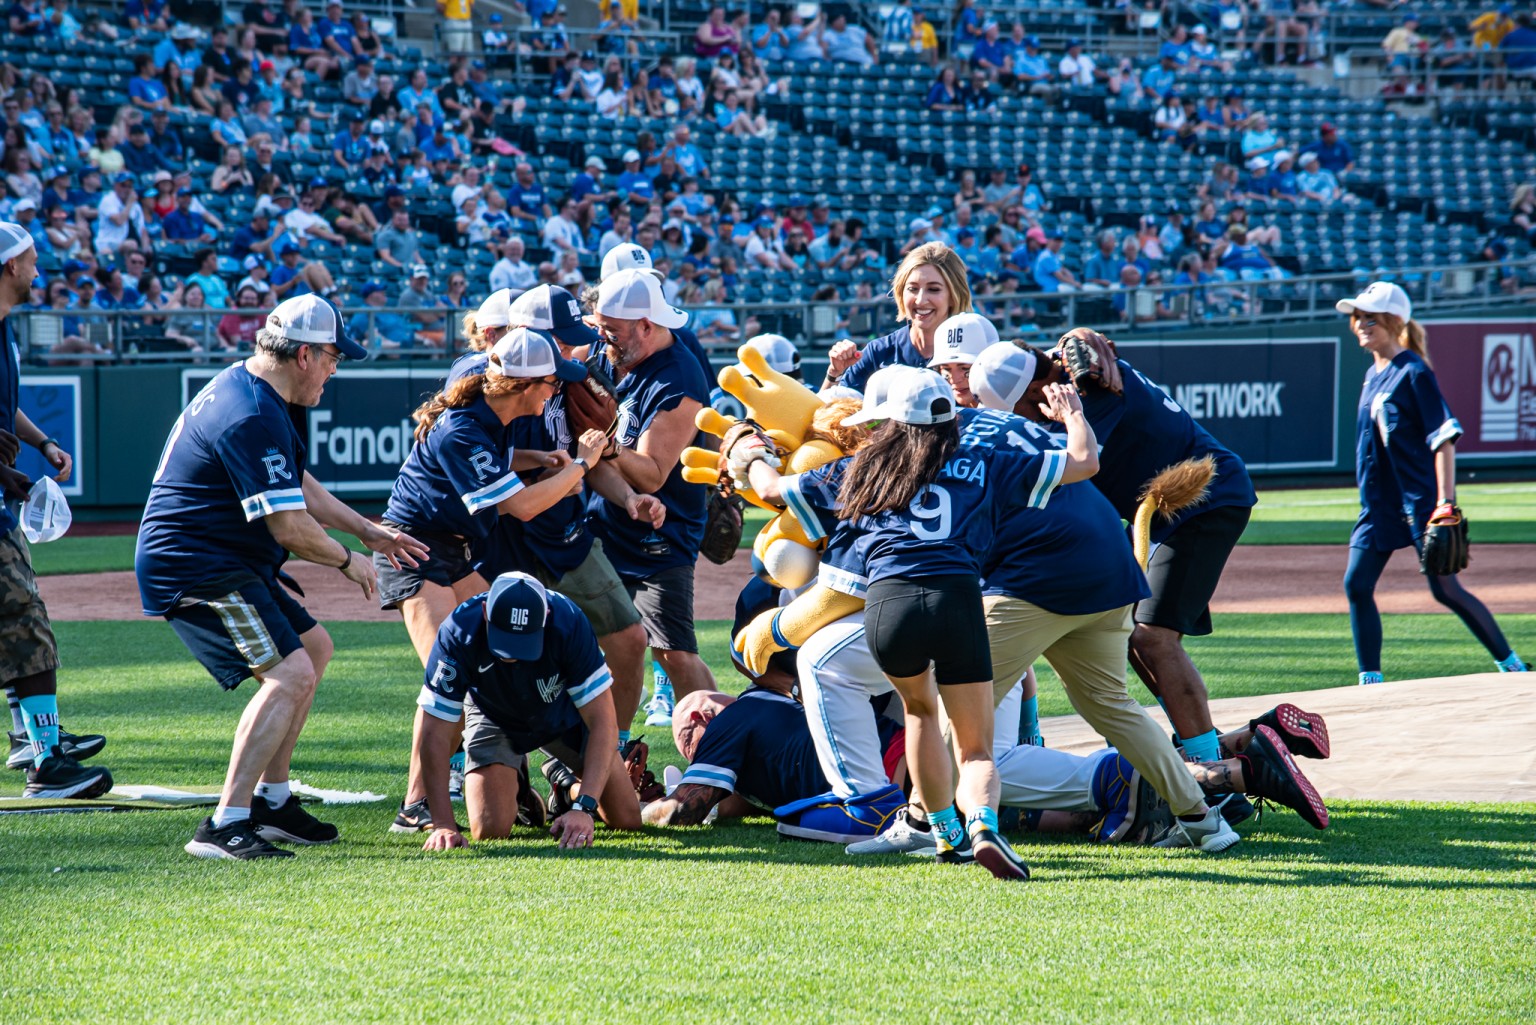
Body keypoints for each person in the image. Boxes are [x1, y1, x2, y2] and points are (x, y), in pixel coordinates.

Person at [135, 294, 429, 859]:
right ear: (304, 355)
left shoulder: (260, 392)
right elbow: (290, 526)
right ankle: (224, 824)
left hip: (223, 555)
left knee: (313, 648)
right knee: (289, 674)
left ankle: (271, 800)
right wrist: (349, 561)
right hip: (196, 563)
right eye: (333, 357)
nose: (335, 370)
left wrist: (370, 531)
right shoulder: (251, 412)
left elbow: (299, 483)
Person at [821, 368, 1099, 880]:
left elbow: (770, 486)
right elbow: (1085, 461)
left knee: (920, 712)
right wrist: (1074, 416)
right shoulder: (986, 458)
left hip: (887, 606)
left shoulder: (861, 467)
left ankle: (946, 835)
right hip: (956, 598)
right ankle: (984, 828)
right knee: (975, 748)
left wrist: (744, 445)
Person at [381, 325, 606, 831]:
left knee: (502, 665)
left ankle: (517, 780)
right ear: (527, 386)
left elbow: (499, 461)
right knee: (450, 678)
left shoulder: (493, 411)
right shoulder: (463, 427)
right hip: (413, 550)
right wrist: (579, 467)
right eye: (552, 383)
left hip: (454, 551)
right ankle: (416, 807)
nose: (557, 392)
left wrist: (540, 459)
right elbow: (521, 507)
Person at [1001, 329, 1257, 771]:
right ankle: (1202, 740)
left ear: (1035, 389)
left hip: (1199, 499)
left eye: (1021, 407)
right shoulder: (1070, 371)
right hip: (1159, 508)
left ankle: (1207, 760)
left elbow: (1071, 472)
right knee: (1119, 626)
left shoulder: (1087, 391)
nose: (1024, 419)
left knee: (1152, 635)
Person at [1337, 283, 1528, 683]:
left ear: (1394, 322)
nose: (1362, 324)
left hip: (1420, 503)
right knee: (1356, 583)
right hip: (1378, 506)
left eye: (1372, 317)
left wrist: (1446, 502)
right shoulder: (1374, 375)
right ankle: (1370, 679)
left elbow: (1443, 439)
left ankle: (1511, 665)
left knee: (1445, 590)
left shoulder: (1413, 372)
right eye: (1359, 317)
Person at [0, 221, 112, 797]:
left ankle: (33, 739)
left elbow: (4, 406)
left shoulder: (4, 329)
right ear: (7, 267)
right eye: (30, 258)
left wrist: (41, 443)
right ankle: (47, 763)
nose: (38, 268)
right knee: (28, 624)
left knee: (18, 624)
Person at [416, 571, 641, 850]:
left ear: (545, 616)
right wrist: (444, 825)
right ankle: (518, 786)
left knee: (627, 818)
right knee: (490, 828)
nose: (511, 654)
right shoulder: (458, 632)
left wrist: (583, 808)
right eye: (504, 638)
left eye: (522, 641)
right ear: (486, 611)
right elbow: (433, 733)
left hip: (561, 713)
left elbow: (603, 721)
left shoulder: (569, 622)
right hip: (494, 714)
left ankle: (564, 787)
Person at [582, 269, 716, 709]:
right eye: (600, 326)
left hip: (660, 532)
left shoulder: (678, 377)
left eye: (612, 330)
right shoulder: (612, 354)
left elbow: (654, 472)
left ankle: (718, 744)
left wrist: (606, 443)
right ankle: (612, 751)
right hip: (604, 522)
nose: (604, 339)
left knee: (674, 652)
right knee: (593, 644)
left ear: (646, 325)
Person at [823, 243, 973, 393]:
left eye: (933, 289)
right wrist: (835, 373)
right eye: (912, 289)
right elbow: (826, 413)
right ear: (901, 293)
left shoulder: (973, 352)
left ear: (954, 295)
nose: (920, 300)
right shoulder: (878, 352)